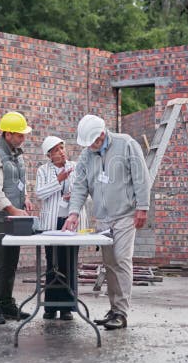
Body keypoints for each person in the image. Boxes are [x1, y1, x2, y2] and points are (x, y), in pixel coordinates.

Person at [62, 114, 151, 330]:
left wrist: (143, 207)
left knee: (121, 260)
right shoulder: (86, 155)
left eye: (93, 142)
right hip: (103, 218)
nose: (91, 147)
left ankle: (121, 312)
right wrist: (73, 212)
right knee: (110, 264)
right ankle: (114, 309)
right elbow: (81, 186)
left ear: (102, 134)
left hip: (125, 215)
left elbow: (141, 177)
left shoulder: (126, 144)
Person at [0, 111, 34, 324]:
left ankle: (6, 304)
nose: (23, 138)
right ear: (8, 134)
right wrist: (12, 210)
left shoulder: (17, 154)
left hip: (15, 217)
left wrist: (26, 198)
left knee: (11, 261)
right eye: (20, 135)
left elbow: (21, 182)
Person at [35, 136, 89, 321]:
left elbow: (86, 192)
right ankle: (50, 307)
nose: (61, 152)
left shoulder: (76, 166)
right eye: (56, 150)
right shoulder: (43, 170)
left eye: (62, 148)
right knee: (52, 263)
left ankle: (67, 307)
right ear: (49, 154)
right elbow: (40, 193)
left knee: (69, 262)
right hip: (52, 222)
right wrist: (58, 180)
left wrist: (72, 196)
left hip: (71, 222)